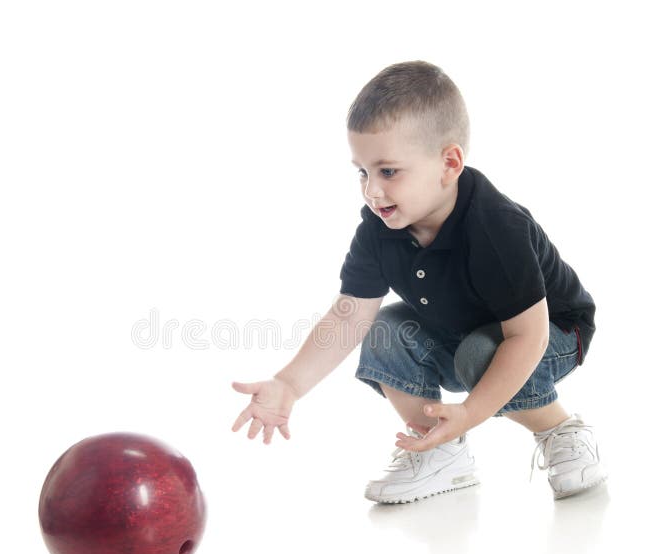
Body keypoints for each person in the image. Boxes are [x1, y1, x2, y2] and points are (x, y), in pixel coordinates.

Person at [230, 60, 607, 503]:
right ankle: (439, 449)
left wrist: (470, 412)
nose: (372, 191)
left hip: (552, 334)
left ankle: (560, 430)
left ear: (449, 163)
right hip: (464, 330)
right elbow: (349, 316)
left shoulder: (495, 227)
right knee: (386, 328)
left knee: (480, 353)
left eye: (388, 171)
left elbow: (528, 335)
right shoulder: (379, 227)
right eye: (363, 172)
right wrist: (289, 384)